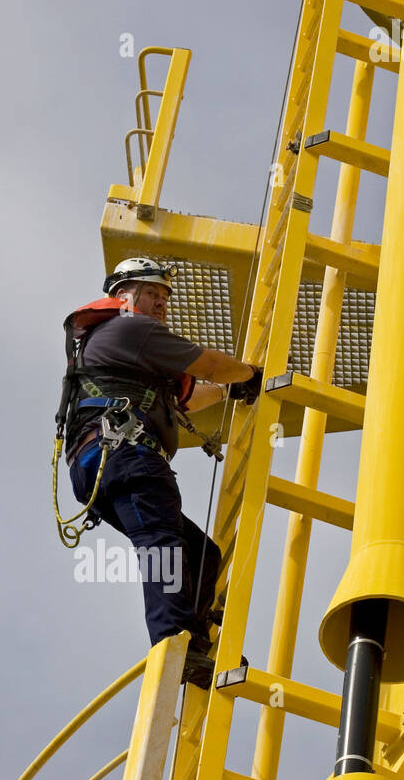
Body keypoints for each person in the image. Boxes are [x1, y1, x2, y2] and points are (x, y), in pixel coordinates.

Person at [60, 257, 262, 688]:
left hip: (104, 459)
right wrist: (251, 375)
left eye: (164, 298)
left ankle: (195, 638)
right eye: (152, 293)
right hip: (125, 453)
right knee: (162, 543)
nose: (160, 304)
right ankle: (175, 641)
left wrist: (230, 389)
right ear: (123, 295)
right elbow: (207, 364)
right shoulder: (132, 330)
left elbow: (189, 398)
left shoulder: (123, 351)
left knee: (200, 551)